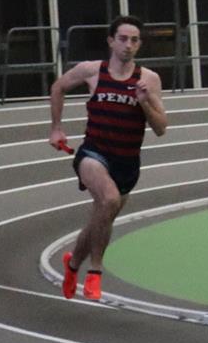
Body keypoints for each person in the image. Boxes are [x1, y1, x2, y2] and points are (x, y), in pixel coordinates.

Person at [47, 17, 168, 301]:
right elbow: (58, 87)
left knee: (99, 220)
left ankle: (72, 265)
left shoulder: (149, 80)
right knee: (110, 200)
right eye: (123, 39)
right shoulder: (92, 71)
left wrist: (144, 103)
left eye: (134, 40)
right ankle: (95, 271)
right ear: (111, 41)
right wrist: (56, 128)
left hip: (127, 162)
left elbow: (161, 128)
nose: (128, 45)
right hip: (93, 153)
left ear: (139, 44)